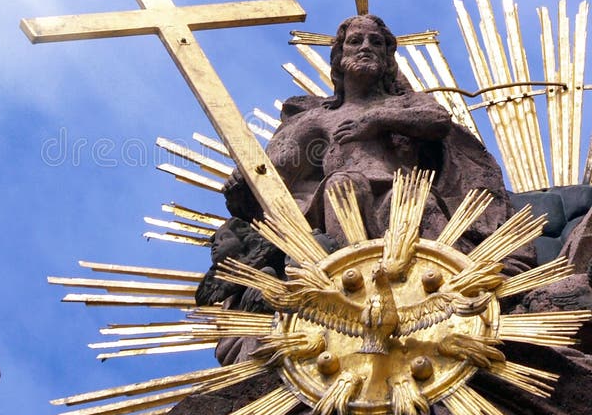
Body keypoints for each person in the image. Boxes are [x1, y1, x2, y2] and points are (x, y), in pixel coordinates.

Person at [226, 14, 529, 264]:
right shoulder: (317, 118)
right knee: (342, 185)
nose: (366, 47)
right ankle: (353, 274)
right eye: (355, 41)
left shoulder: (407, 103)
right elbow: (275, 172)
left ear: (387, 58)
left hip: (407, 198)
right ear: (340, 57)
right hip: (344, 201)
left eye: (376, 42)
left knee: (408, 199)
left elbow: (438, 121)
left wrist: (377, 121)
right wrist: (245, 178)